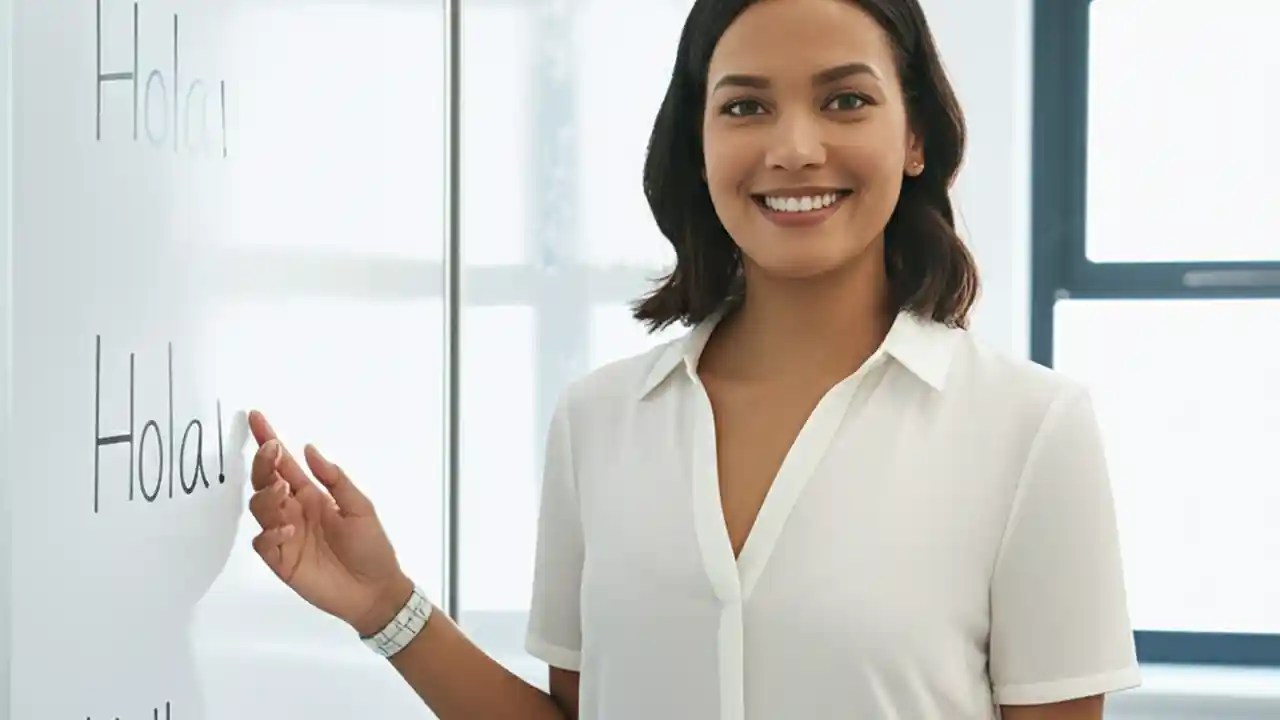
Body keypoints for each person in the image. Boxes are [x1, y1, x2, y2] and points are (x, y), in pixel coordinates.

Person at [245, 0, 1142, 717]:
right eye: (745, 105)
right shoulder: (598, 423)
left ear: (915, 139)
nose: (794, 147)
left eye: (845, 100)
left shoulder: (1030, 429)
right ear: (701, 144)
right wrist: (384, 604)